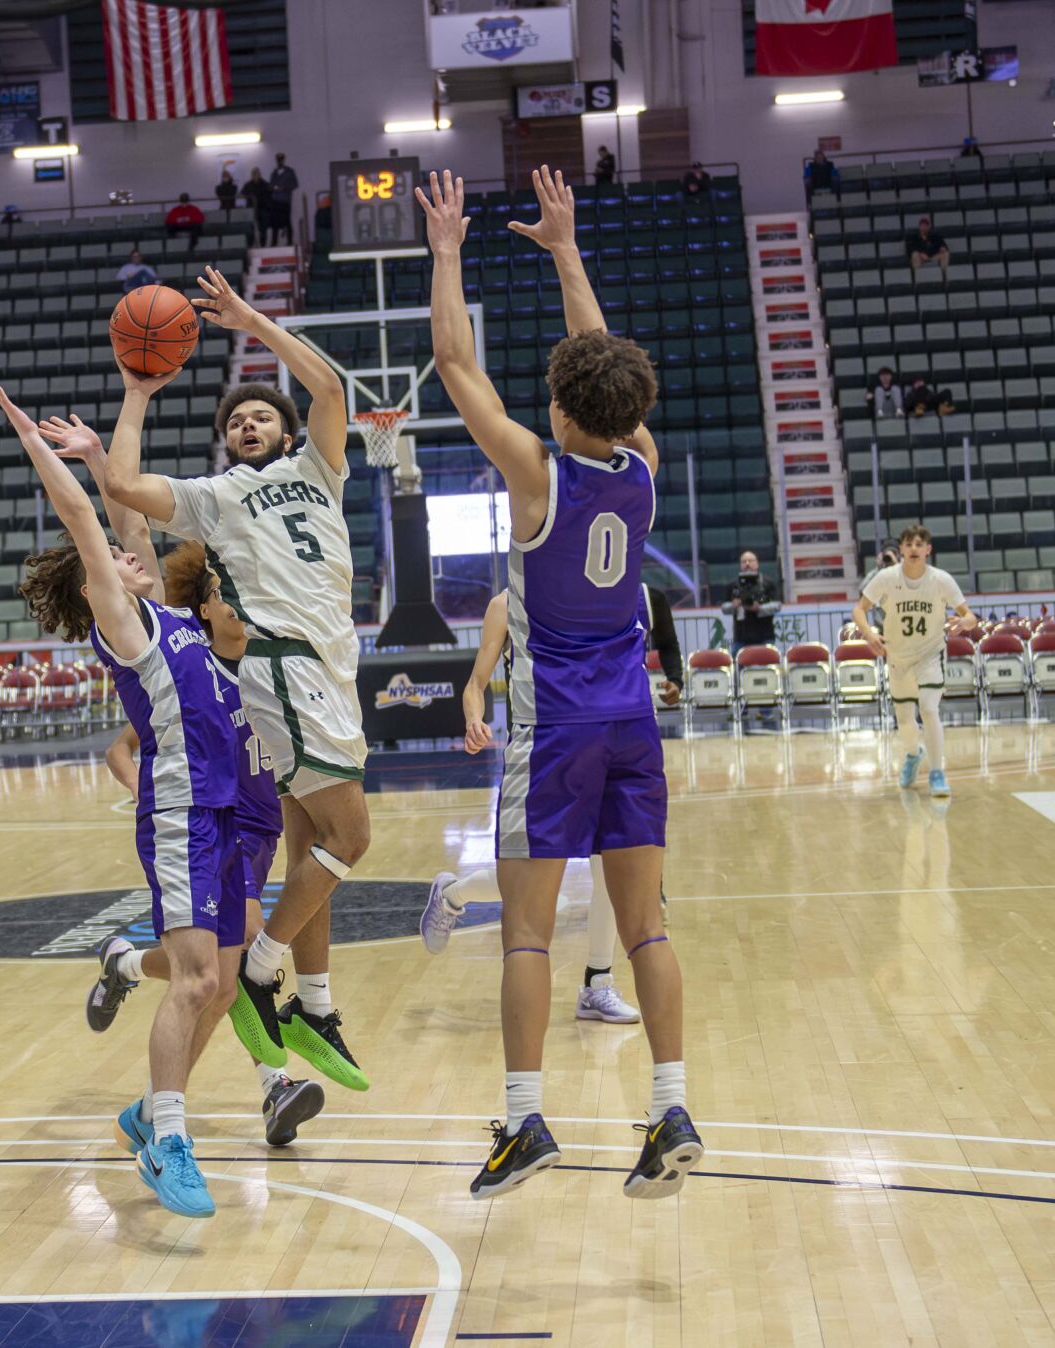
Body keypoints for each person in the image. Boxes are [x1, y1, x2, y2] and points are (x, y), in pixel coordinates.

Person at [418, 164, 699, 1201]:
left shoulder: (538, 476)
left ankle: (525, 1120)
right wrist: (566, 252)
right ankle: (669, 1100)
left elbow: (453, 361)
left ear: (558, 405)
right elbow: (603, 367)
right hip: (632, 719)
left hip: (555, 727)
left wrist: (447, 247)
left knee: (527, 935)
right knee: (647, 930)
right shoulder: (642, 466)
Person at [103, 266, 370, 1096]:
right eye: (237, 420)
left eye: (261, 415)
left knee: (309, 846)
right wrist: (137, 393)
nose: (247, 423)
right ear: (229, 444)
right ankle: (261, 973)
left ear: (287, 434)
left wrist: (255, 323)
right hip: (284, 665)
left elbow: (328, 385)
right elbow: (119, 487)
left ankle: (315, 1004)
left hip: (329, 663)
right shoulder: (214, 498)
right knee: (351, 838)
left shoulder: (321, 469)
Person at [0, 383, 241, 1221]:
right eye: (120, 560)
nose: (136, 553)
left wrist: (135, 397)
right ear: (102, 584)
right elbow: (88, 521)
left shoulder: (164, 612)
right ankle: (167, 1137)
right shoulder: (124, 624)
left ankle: (128, 982)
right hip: (181, 807)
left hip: (224, 802)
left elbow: (121, 498)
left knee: (221, 979)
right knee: (201, 978)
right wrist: (34, 443)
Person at [85, 524, 327, 1148]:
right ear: (202, 610)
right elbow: (125, 744)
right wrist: (149, 789)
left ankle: (128, 967)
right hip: (217, 820)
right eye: (226, 594)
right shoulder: (188, 658)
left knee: (218, 983)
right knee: (240, 960)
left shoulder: (269, 671)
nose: (239, 604)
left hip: (257, 825)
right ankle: (274, 1083)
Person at [420, 585, 685, 1012]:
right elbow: (475, 684)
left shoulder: (589, 597)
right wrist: (474, 718)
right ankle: (453, 895)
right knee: (534, 881)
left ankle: (597, 983)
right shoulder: (503, 606)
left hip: (601, 744)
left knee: (608, 870)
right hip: (540, 751)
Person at [853, 523, 977, 799]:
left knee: (929, 708)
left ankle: (937, 773)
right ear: (901, 549)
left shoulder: (941, 580)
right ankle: (913, 754)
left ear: (928, 550)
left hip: (930, 653)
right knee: (906, 720)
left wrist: (965, 622)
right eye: (908, 544)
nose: (913, 549)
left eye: (919, 544)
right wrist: (869, 632)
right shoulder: (886, 578)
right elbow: (859, 609)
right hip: (898, 657)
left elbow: (969, 615)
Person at [722, 551, 781, 657]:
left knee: (766, 667)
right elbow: (724, 608)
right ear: (740, 565)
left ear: (757, 563)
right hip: (741, 637)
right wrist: (733, 605)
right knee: (739, 667)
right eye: (744, 561)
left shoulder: (768, 583)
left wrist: (759, 608)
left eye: (750, 561)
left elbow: (777, 605)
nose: (747, 564)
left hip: (765, 635)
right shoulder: (733, 585)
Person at [267, 153, 298, 246]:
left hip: (285, 201)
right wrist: (273, 188)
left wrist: (284, 188)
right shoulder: (274, 173)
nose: (279, 161)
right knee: (275, 223)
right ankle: (274, 243)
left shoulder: (290, 172)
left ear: (283, 160)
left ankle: (289, 241)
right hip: (275, 200)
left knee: (287, 221)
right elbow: (270, 186)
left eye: (281, 159)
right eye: (278, 159)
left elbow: (295, 184)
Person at [242, 167, 270, 247]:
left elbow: (269, 195)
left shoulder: (265, 184)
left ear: (260, 174)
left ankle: (263, 245)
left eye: (257, 174)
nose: (255, 175)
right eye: (254, 174)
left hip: (263, 209)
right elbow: (242, 194)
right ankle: (251, 246)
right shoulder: (248, 185)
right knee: (250, 230)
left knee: (263, 230)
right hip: (251, 210)